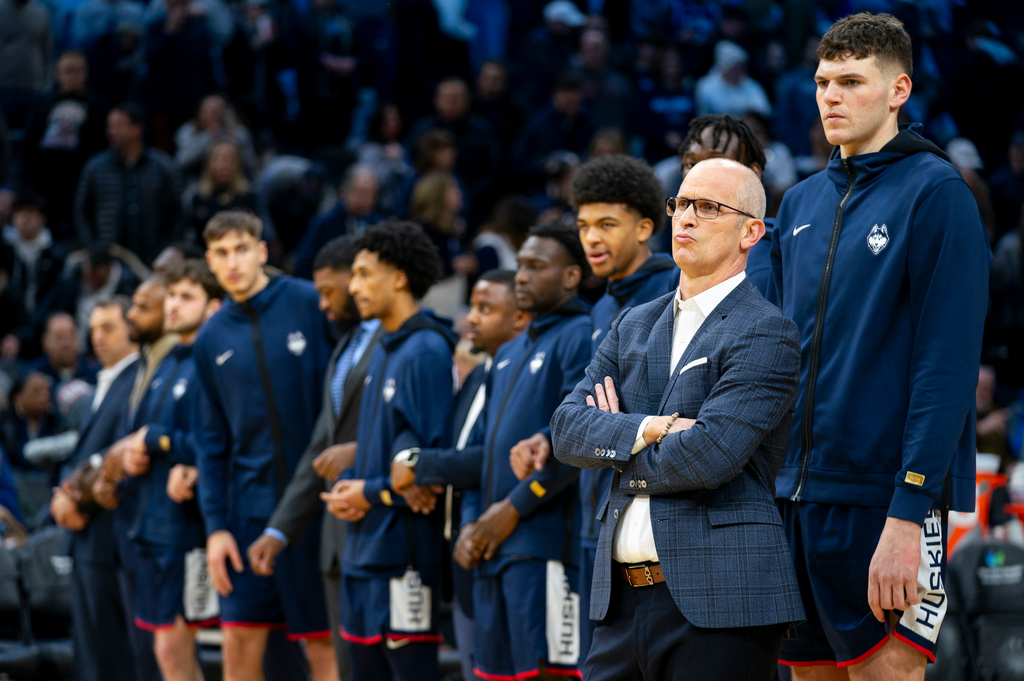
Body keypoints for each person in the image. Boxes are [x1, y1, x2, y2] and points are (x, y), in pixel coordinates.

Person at [767, 13, 990, 678]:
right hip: (795, 498)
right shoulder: (799, 202)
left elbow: (945, 367)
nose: (830, 96)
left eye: (851, 81)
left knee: (886, 671)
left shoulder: (938, 191)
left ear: (899, 90)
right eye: (822, 82)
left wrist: (909, 508)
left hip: (884, 500)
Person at [550, 158, 804, 680]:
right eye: (681, 203)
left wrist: (615, 447)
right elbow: (567, 430)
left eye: (708, 207)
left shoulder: (767, 331)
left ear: (750, 232)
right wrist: (651, 429)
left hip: (721, 602)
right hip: (619, 602)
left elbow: (709, 457)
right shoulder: (632, 322)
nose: (685, 218)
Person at [421, 222, 594, 680]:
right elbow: (485, 454)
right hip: (493, 544)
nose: (521, 276)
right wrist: (477, 519)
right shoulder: (509, 352)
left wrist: (513, 509)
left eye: (536, 267)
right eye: (520, 266)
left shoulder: (582, 334)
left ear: (572, 276)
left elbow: (578, 439)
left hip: (546, 545)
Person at [192, 210, 338, 681]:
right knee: (238, 640)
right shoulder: (211, 335)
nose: (232, 262)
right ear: (210, 262)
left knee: (322, 644)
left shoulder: (307, 302)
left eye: (240, 248)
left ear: (261, 251)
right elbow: (210, 440)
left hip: (315, 505)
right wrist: (215, 527)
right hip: (247, 513)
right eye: (220, 253)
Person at [320, 220, 454, 681]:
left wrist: (370, 493)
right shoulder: (384, 349)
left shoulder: (425, 351)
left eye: (362, 273)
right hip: (364, 549)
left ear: (398, 277)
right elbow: (399, 449)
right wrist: (357, 475)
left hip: (405, 557)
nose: (352, 286)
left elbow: (429, 473)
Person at [247, 235, 386, 678]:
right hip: (337, 537)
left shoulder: (408, 340)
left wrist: (361, 452)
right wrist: (279, 529)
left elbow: (430, 436)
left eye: (330, 291)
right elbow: (319, 450)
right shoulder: (345, 346)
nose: (323, 305)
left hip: (385, 528)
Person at [389, 269, 530, 681]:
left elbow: (490, 461)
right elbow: (460, 456)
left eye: (485, 309)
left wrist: (419, 465)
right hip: (464, 548)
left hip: (509, 549)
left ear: (520, 317)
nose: (469, 318)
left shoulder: (519, 377)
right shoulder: (479, 377)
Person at [567, 154, 678, 664]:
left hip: (660, 522)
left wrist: (611, 425)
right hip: (600, 509)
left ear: (646, 227)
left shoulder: (670, 292)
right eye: (584, 224)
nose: (591, 237)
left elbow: (658, 413)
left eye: (606, 224)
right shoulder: (604, 305)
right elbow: (584, 417)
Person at [119, 260, 223, 681]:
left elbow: (217, 442)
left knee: (174, 650)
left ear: (213, 307)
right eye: (173, 296)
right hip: (150, 521)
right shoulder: (169, 360)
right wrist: (133, 453)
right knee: (162, 650)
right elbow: (140, 434)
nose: (174, 306)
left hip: (187, 528)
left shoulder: (214, 363)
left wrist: (157, 441)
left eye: (186, 297)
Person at [50, 297, 140, 681]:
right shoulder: (102, 382)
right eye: (94, 330)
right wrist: (62, 497)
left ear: (131, 330)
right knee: (90, 657)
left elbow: (119, 453)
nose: (97, 337)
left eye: (109, 328)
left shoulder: (136, 378)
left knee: (113, 658)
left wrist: (75, 501)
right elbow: (86, 455)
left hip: (111, 534)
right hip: (88, 538)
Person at [74, 103, 183, 265]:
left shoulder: (163, 166)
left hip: (153, 258)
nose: (111, 132)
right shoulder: (95, 168)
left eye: (118, 126)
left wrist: (169, 247)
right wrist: (93, 248)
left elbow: (178, 212)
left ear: (137, 129)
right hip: (108, 260)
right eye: (109, 126)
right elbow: (81, 211)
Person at [21, 50, 110, 241]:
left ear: (86, 73)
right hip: (45, 184)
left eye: (78, 70)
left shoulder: (98, 106)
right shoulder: (42, 104)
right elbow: (29, 145)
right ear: (57, 73)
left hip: (82, 183)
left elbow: (103, 147)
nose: (73, 76)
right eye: (68, 70)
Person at [678, 115, 771, 295]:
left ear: (752, 173)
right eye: (691, 163)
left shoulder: (765, 267)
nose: (699, 172)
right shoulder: (680, 261)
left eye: (716, 161)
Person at [144, 0, 216, 152]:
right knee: (162, 150)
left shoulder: (198, 28)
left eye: (182, 5)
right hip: (162, 106)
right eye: (174, 5)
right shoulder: (156, 27)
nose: (178, 10)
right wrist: (168, 32)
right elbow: (152, 59)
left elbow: (206, 65)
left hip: (192, 103)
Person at [292, 166, 384, 280]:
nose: (365, 198)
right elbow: (304, 264)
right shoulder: (325, 223)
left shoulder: (380, 225)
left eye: (370, 193)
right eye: (360, 192)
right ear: (345, 191)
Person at [511, 74, 597, 194]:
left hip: (580, 189)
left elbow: (595, 154)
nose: (570, 104)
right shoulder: (537, 125)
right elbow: (519, 163)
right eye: (567, 100)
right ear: (555, 96)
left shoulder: (588, 123)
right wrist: (547, 165)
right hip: (541, 190)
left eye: (574, 101)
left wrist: (576, 162)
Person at [2, 192, 66, 326]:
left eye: (30, 212)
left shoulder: (54, 253)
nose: (25, 218)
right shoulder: (4, 249)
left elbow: (56, 293)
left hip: (44, 319)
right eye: (20, 212)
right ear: (12, 218)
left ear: (42, 219)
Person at [174, 94, 259, 181]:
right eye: (210, 110)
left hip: (235, 182)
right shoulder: (188, 130)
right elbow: (181, 162)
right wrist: (209, 135)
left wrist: (234, 136)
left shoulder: (239, 132)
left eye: (219, 110)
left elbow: (251, 165)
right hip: (196, 181)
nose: (215, 115)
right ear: (200, 112)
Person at [187, 140, 258, 240]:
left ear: (238, 164)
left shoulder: (249, 196)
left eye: (229, 160)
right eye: (219, 159)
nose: (224, 165)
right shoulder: (198, 197)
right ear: (209, 163)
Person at [694, 40, 771, 119]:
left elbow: (764, 110)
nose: (740, 71)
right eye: (735, 67)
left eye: (742, 67)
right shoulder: (706, 86)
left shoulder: (751, 85)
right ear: (725, 66)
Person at [27, 312, 100, 385]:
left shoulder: (96, 373)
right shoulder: (33, 376)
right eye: (59, 337)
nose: (66, 344)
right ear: (45, 341)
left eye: (70, 336)